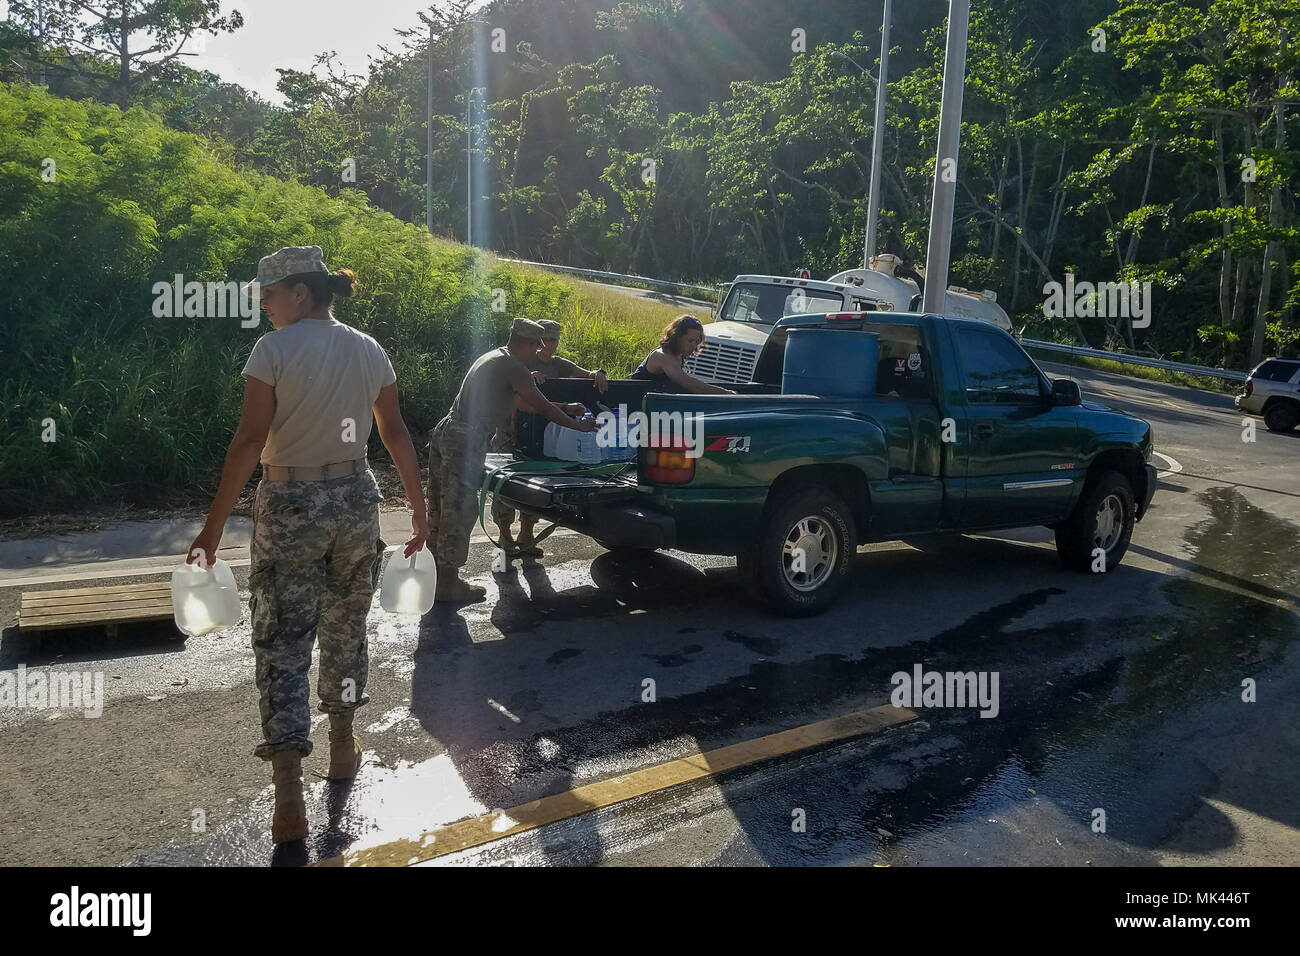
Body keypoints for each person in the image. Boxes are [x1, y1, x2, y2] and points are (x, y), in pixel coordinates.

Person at [186, 246, 429, 845]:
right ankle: (343, 745)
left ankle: (290, 792)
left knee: (282, 639)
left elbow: (248, 442)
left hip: (290, 504)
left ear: (299, 293)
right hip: (355, 500)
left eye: (268, 294)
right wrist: (419, 514)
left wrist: (214, 526)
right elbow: (395, 434)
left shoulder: (273, 351)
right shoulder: (368, 348)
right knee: (346, 626)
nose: (263, 305)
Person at [429, 317, 597, 600]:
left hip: (447, 430)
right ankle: (447, 582)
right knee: (460, 508)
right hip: (466, 439)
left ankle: (437, 573)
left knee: (440, 503)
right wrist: (578, 425)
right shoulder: (514, 366)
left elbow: (519, 402)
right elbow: (541, 407)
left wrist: (566, 406)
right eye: (536, 347)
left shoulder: (495, 357)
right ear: (529, 344)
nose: (537, 353)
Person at [491, 318, 608, 557]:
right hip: (512, 429)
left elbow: (587, 375)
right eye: (544, 339)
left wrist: (599, 374)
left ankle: (527, 534)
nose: (549, 344)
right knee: (505, 484)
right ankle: (505, 534)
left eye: (554, 339)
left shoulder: (558, 365)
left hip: (542, 432)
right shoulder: (522, 360)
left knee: (535, 484)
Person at [631, 314, 736, 394]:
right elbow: (689, 384)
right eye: (690, 341)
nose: (693, 346)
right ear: (677, 337)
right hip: (634, 401)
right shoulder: (662, 356)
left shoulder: (678, 355)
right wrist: (726, 393)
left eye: (696, 341)